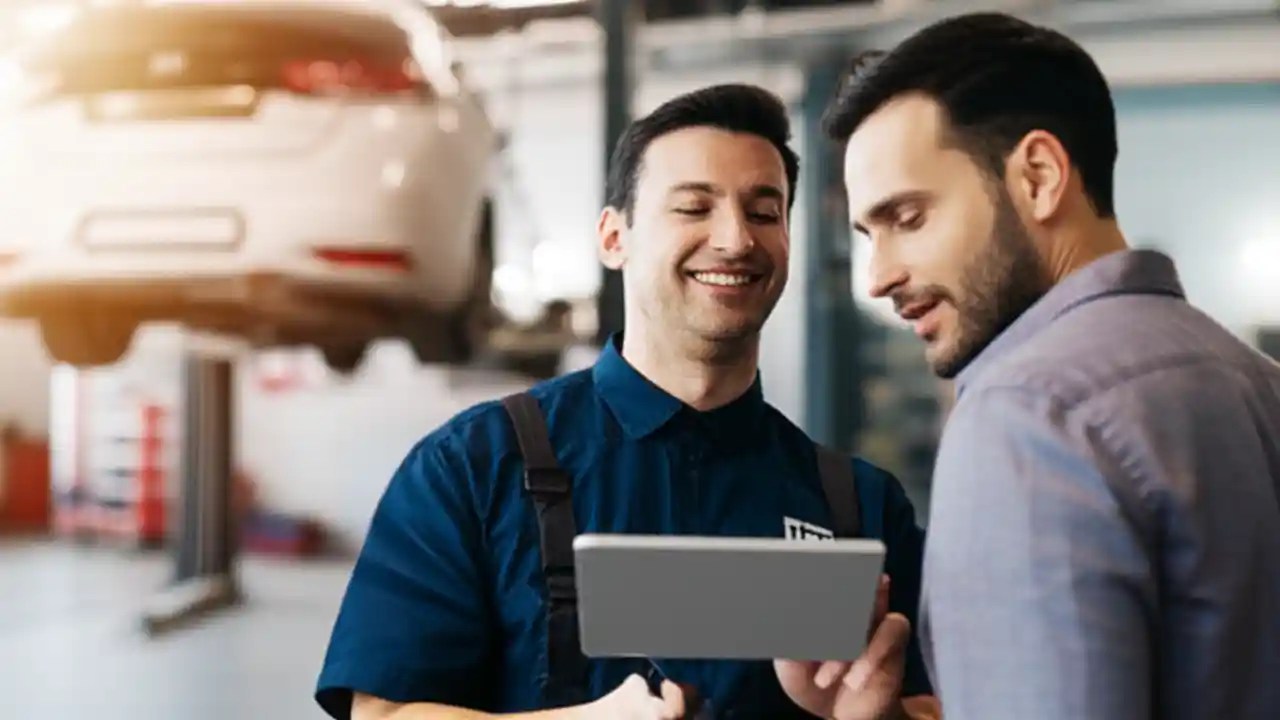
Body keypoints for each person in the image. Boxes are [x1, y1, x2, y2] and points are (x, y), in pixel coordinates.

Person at [315, 83, 941, 720]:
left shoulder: (859, 507)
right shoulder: (474, 467)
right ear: (614, 238)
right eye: (694, 208)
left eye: (763, 211)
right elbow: (384, 713)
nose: (734, 239)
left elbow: (935, 705)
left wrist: (871, 717)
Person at [823, 11, 1280, 720]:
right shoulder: (1255, 380)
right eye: (866, 235)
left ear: (1038, 177)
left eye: (907, 218)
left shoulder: (1027, 416)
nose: (878, 276)